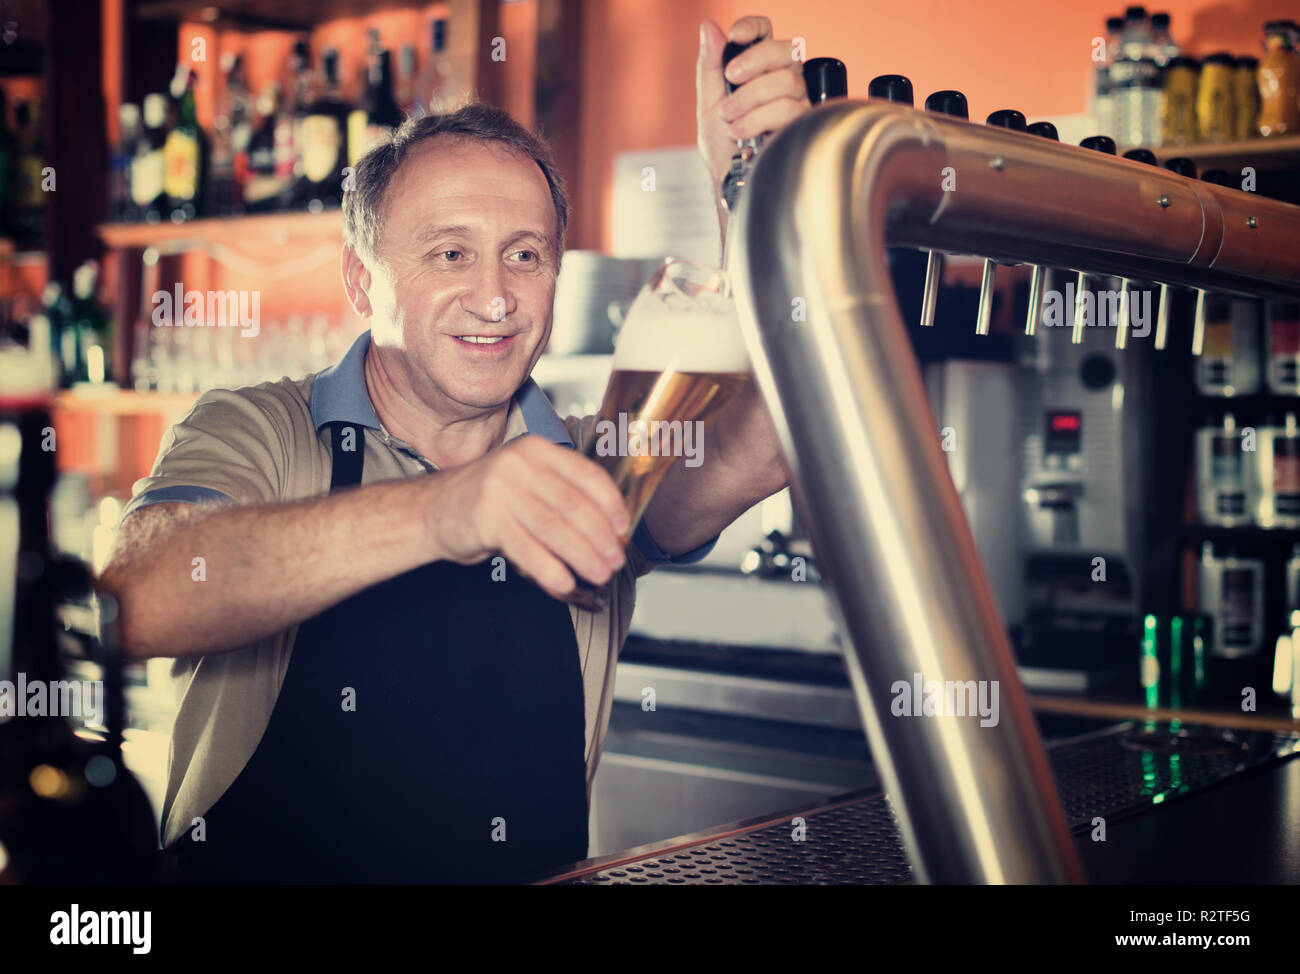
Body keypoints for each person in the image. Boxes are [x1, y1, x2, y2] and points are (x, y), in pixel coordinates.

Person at [100, 15, 808, 884]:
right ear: (363, 281)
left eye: (525, 255)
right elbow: (135, 599)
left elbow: (771, 437)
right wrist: (450, 510)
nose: (495, 297)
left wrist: (754, 192)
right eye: (449, 254)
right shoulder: (262, 429)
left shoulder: (603, 467)